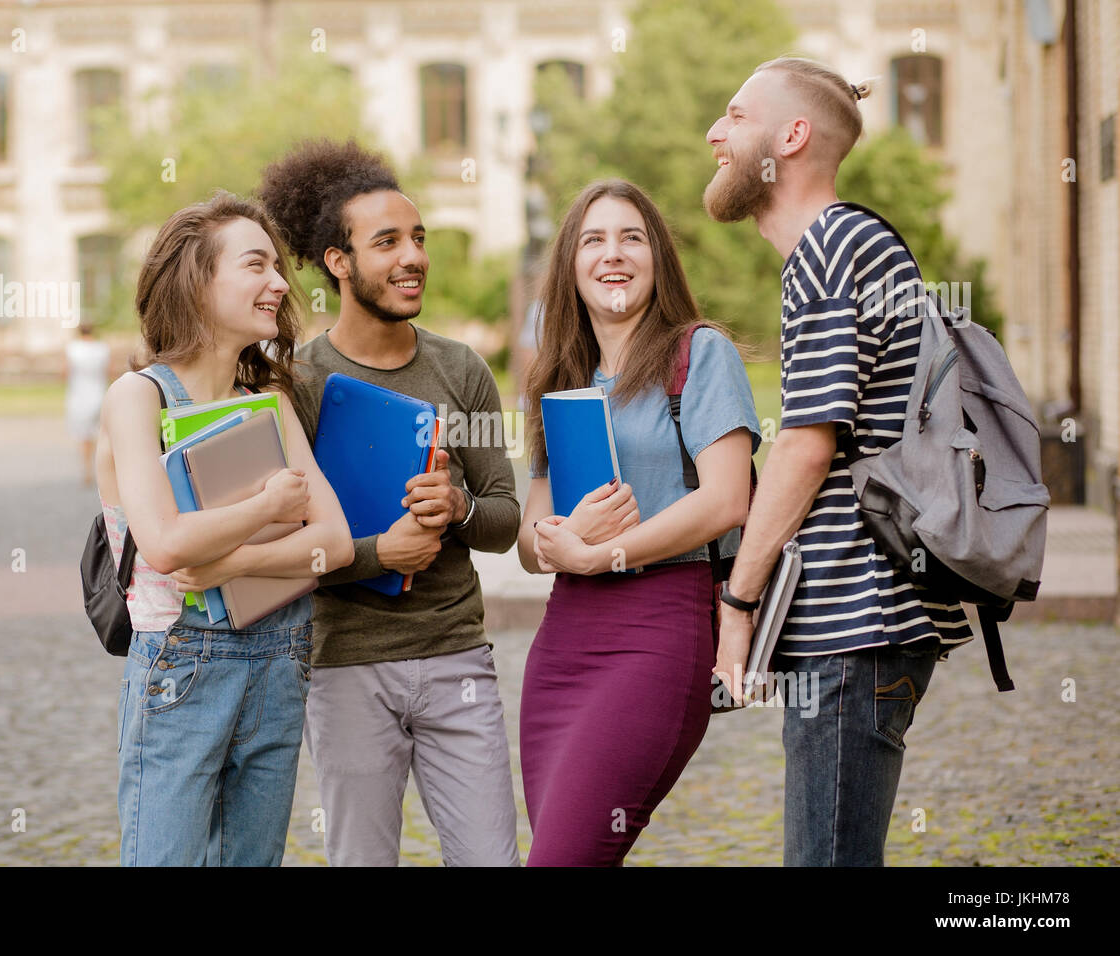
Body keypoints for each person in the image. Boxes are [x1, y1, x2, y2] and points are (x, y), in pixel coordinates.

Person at [704, 57, 973, 866]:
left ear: (791, 138)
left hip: (858, 627)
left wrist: (738, 605)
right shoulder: (844, 246)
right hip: (867, 624)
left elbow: (808, 443)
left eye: (735, 116)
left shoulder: (829, 244)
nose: (714, 134)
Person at [258, 139, 522, 867]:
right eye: (387, 243)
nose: (413, 257)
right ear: (338, 262)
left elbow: (506, 518)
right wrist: (380, 554)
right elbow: (274, 559)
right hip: (344, 669)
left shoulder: (461, 368)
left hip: (456, 660)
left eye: (418, 239)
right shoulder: (298, 385)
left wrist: (458, 507)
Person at [96, 191, 353, 866]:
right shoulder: (139, 397)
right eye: (255, 265)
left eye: (278, 268)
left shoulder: (269, 402)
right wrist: (267, 511)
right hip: (182, 669)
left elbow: (338, 543)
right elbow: (167, 543)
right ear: (197, 280)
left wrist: (233, 563)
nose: (278, 284)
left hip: (279, 664)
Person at [516, 178, 761, 866]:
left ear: (657, 258)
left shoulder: (699, 353)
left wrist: (605, 552)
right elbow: (531, 538)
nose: (612, 254)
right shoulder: (562, 376)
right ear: (570, 263)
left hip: (660, 633)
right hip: (563, 641)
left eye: (632, 237)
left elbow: (726, 501)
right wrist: (557, 541)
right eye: (593, 239)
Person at [64, 323, 111, 486]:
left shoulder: (73, 348)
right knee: (100, 435)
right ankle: (102, 471)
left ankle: (87, 470)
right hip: (98, 393)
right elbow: (107, 371)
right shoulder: (102, 348)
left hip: (79, 396)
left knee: (84, 437)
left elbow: (66, 372)